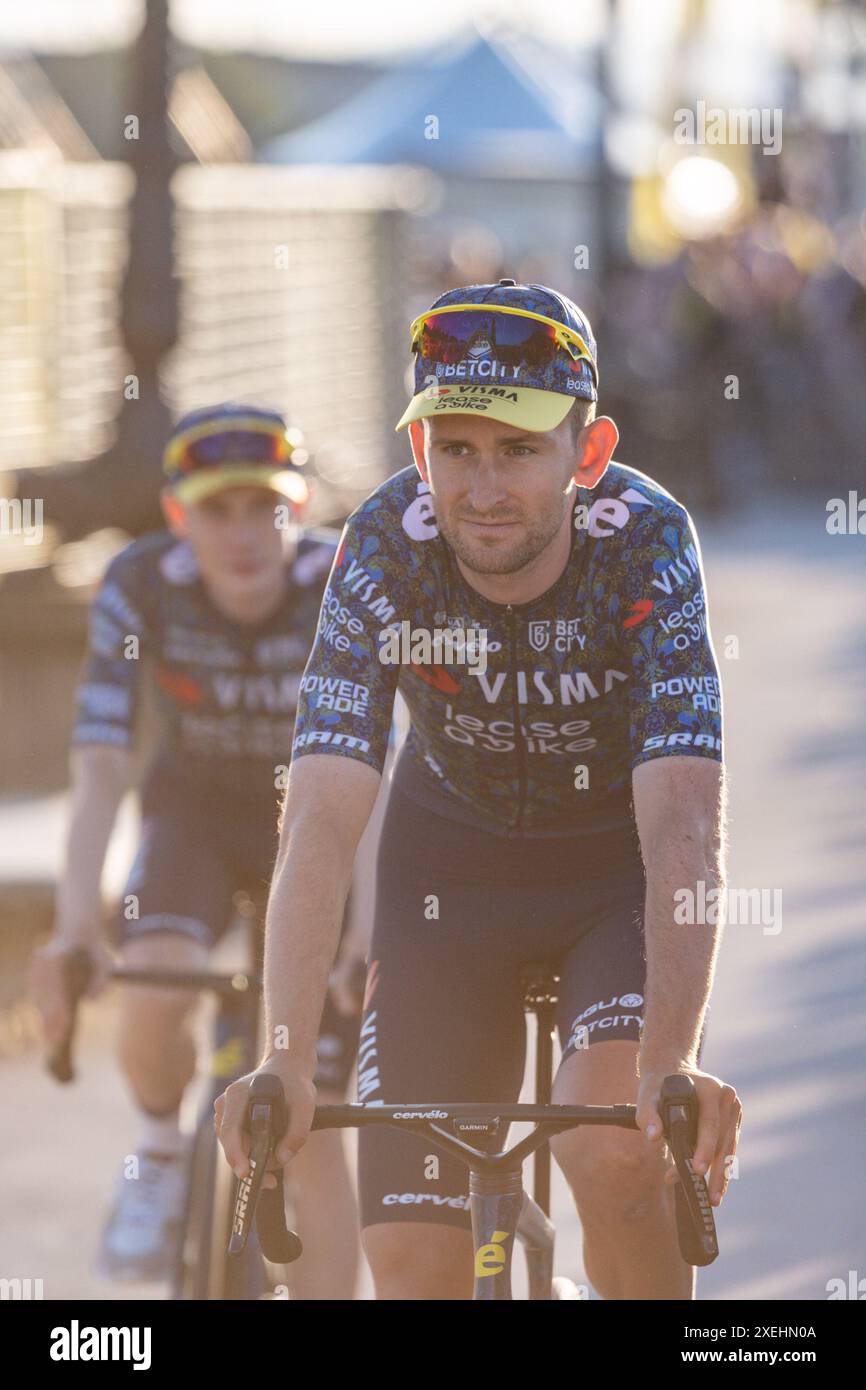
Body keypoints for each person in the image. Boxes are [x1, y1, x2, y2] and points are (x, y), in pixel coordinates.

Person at [215, 283, 742, 1300]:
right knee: (413, 1257)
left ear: (584, 455)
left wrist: (668, 1059)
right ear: (421, 455)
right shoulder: (383, 545)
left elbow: (682, 826)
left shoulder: (646, 539)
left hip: (611, 883)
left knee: (617, 1156)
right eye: (455, 450)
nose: (483, 487)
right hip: (444, 884)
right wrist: (281, 1056)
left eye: (517, 451)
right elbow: (320, 819)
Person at [31, 404, 376, 1298]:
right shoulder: (139, 582)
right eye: (216, 510)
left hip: (323, 823)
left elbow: (392, 758)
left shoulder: (344, 577)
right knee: (149, 988)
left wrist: (370, 925)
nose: (243, 533)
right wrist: (75, 927)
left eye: (264, 506)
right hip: (195, 819)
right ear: (178, 516)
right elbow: (102, 764)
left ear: (296, 508)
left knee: (312, 1133)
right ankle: (155, 1154)